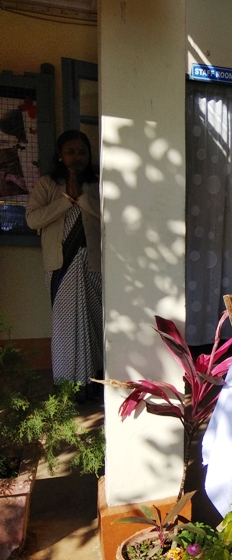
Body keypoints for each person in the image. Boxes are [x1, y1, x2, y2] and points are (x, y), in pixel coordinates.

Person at [26, 130, 102, 404]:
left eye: (82, 152)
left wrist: (81, 198)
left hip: (93, 266)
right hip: (60, 267)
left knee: (95, 323)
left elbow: (111, 217)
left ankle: (95, 382)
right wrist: (65, 200)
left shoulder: (98, 183)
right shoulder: (47, 184)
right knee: (65, 326)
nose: (77, 157)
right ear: (60, 155)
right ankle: (69, 385)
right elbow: (33, 220)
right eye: (71, 152)